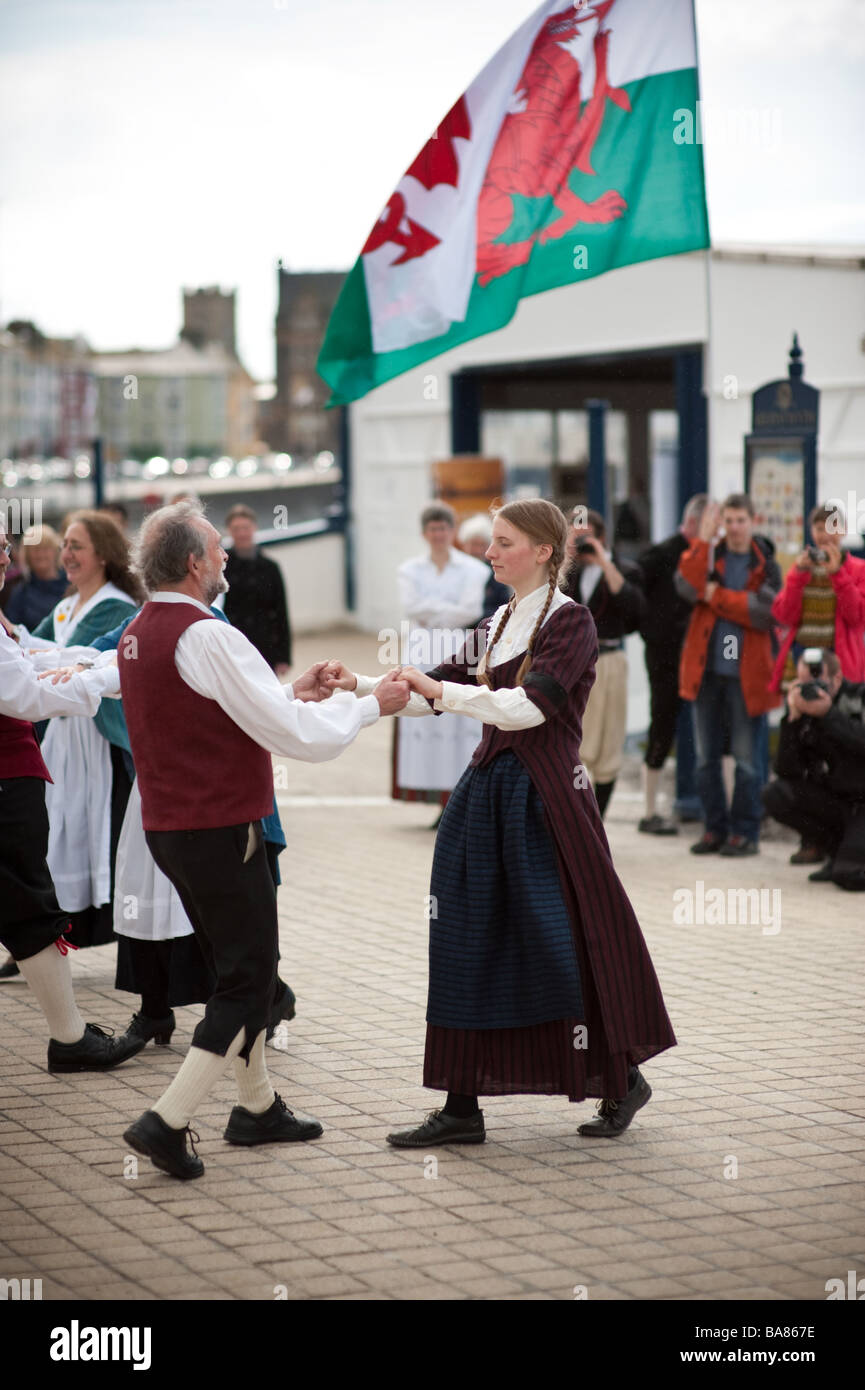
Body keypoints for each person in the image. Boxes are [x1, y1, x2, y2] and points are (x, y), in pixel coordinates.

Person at [327, 499, 676, 1146]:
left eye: (503, 542)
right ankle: (461, 1106)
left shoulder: (569, 622)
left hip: (545, 800)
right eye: (490, 542)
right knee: (463, 939)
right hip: (486, 794)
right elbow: (434, 686)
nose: (489, 552)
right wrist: (358, 683)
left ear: (543, 551)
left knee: (562, 942)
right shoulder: (499, 622)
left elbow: (530, 707)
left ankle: (620, 1076)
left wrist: (440, 693)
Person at [118, 500, 410, 1180]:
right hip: (219, 827)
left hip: (171, 828)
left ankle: (257, 1106)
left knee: (232, 968)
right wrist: (369, 706)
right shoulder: (205, 633)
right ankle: (165, 1120)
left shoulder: (141, 629)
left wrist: (289, 691)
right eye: (216, 550)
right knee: (250, 982)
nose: (225, 558)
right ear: (194, 563)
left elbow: (240, 707)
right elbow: (296, 738)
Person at [0, 523, 144, 1070]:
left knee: (27, 905)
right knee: (31, 907)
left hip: (29, 769)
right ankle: (70, 1037)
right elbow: (26, 692)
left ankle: (71, 1036)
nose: (8, 557)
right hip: (8, 779)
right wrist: (107, 677)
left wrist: (95, 665)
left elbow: (32, 658)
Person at [12, 511, 144, 947]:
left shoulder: (116, 606)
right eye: (65, 544)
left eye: (76, 546)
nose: (65, 554)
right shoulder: (68, 606)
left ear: (104, 555)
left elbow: (73, 657)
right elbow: (38, 651)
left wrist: (18, 639)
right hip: (66, 739)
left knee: (99, 834)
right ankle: (45, 936)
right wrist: (14, 638)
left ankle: (116, 931)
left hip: (99, 742)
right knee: (60, 833)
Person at [676, 494, 782, 857]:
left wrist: (717, 596)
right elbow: (686, 588)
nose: (734, 527)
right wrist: (703, 540)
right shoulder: (710, 554)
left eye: (741, 520)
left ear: (753, 520)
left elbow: (766, 612)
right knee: (706, 758)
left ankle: (745, 832)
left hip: (746, 676)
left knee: (746, 761)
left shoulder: (766, 563)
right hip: (707, 672)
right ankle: (714, 829)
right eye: (729, 520)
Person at [769, 502, 865, 865]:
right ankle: (812, 837)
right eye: (819, 529)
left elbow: (857, 615)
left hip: (842, 677)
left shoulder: (857, 569)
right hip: (801, 673)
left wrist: (838, 572)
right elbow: (782, 614)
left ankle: (841, 834)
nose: (824, 536)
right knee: (801, 753)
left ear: (842, 533)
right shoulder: (801, 569)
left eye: (832, 529)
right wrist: (797, 575)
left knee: (839, 751)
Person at [393, 503, 489, 816]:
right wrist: (445, 609)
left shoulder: (476, 569)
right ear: (425, 533)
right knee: (423, 710)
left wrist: (433, 610)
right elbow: (412, 606)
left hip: (458, 644)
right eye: (433, 529)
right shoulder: (409, 569)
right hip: (422, 645)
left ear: (453, 532)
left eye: (444, 528)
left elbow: (471, 608)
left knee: (459, 716)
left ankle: (460, 797)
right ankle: (434, 798)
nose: (438, 534)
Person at [560, 507, 646, 818]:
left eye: (588, 539)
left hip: (609, 659)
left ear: (602, 537)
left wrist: (603, 560)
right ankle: (575, 819)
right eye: (576, 538)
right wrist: (567, 552)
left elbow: (634, 609)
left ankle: (598, 822)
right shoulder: (566, 572)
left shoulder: (624, 569)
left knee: (610, 741)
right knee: (578, 742)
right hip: (573, 662)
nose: (583, 545)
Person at [762, 650, 865, 891]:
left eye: (816, 683)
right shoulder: (803, 711)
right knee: (776, 795)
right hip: (838, 803)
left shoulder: (858, 698)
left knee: (849, 876)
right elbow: (787, 771)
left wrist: (829, 715)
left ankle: (848, 858)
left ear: (837, 680)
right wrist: (792, 721)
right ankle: (837, 852)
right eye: (801, 684)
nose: (808, 691)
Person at [636, 495, 707, 834]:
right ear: (693, 522)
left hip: (704, 653)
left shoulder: (714, 555)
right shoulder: (661, 553)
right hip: (665, 655)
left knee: (712, 726)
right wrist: (653, 631)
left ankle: (714, 809)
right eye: (711, 524)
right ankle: (650, 810)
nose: (717, 530)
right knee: (662, 722)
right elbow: (635, 595)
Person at [222, 504, 292, 676]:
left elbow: (281, 612)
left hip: (264, 644)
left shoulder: (270, 567)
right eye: (236, 528)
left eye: (245, 528)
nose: (242, 533)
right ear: (229, 531)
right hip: (232, 643)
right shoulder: (221, 567)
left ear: (254, 528)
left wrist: (284, 656)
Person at [3, 525, 68, 630]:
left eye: (46, 548)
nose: (41, 554)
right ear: (27, 554)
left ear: (56, 551)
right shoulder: (21, 592)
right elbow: (13, 629)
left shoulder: (71, 585)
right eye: (35, 549)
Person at [458, 513, 512, 619]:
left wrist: (475, 614)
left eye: (482, 545)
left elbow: (504, 606)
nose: (478, 550)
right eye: (474, 544)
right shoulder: (455, 571)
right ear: (464, 545)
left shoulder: (497, 573)